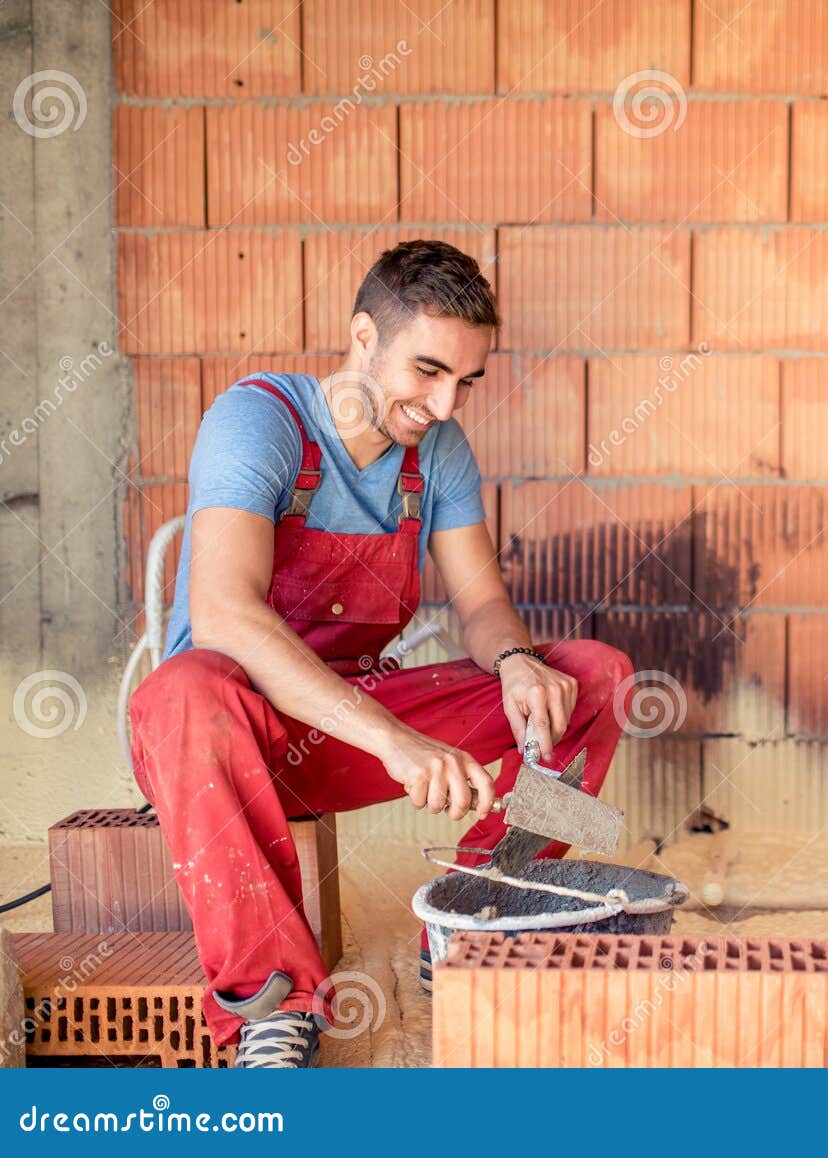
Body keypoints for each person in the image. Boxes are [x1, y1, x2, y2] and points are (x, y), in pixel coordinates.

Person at [128, 240, 635, 1068]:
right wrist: (397, 741)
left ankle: (474, 916)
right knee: (183, 691)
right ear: (363, 336)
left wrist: (513, 659)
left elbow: (481, 604)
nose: (443, 405)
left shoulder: (438, 453)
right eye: (428, 371)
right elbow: (222, 613)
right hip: (223, 741)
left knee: (595, 677)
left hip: (344, 736)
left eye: (466, 382)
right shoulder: (259, 420)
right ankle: (271, 1008)